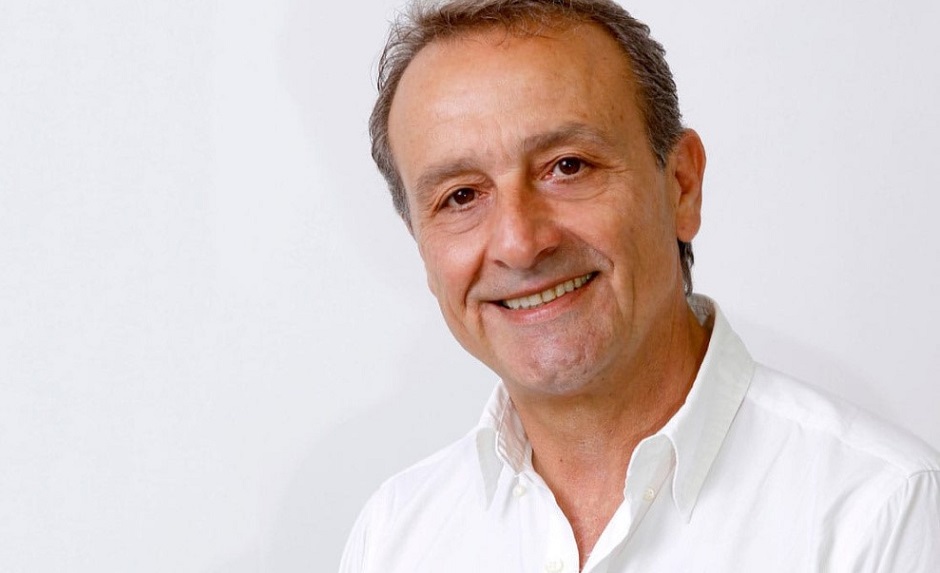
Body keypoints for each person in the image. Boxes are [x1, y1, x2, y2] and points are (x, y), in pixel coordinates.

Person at [340, 0, 940, 570]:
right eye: (461, 197)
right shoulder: (393, 536)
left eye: (568, 166)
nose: (520, 244)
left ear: (681, 185)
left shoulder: (882, 510)